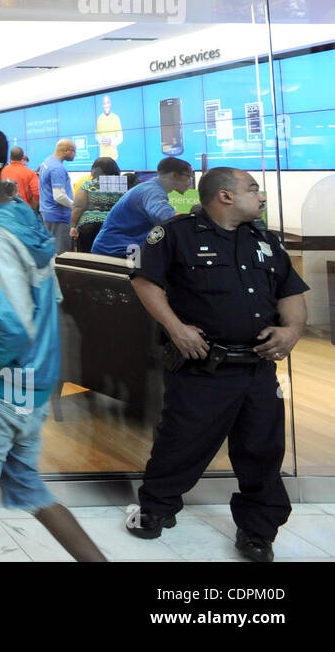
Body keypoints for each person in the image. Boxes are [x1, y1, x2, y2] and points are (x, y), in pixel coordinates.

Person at [0, 125, 106, 563]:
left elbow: (9, 331)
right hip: (33, 385)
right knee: (30, 491)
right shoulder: (23, 218)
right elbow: (49, 303)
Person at [127, 167, 307, 562]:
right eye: (252, 189)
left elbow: (290, 290)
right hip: (203, 365)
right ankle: (156, 509)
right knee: (181, 442)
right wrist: (175, 328)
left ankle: (258, 530)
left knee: (262, 450)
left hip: (258, 368)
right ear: (225, 196)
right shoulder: (175, 235)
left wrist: (291, 331)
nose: (261, 197)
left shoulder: (265, 240)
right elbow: (144, 280)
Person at [92, 157, 194, 258]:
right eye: (189, 176)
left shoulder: (151, 187)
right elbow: (167, 217)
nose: (190, 181)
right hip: (116, 253)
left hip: (117, 249)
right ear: (175, 175)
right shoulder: (152, 191)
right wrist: (196, 219)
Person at [69, 157, 123, 254]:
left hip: (89, 226)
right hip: (114, 225)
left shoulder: (89, 184)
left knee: (88, 257)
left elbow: (78, 207)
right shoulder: (122, 185)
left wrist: (73, 226)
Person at [37, 139, 77, 255]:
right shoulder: (57, 168)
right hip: (58, 216)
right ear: (65, 151)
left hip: (48, 213)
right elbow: (59, 196)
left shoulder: (47, 161)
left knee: (52, 252)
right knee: (62, 255)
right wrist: (75, 207)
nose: (75, 154)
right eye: (73, 151)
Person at [0, 146, 39, 211]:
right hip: (24, 210)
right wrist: (32, 207)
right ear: (22, 157)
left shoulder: (1, 172)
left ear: (10, 157)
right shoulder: (30, 173)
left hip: (6, 211)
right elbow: (37, 193)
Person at [95, 94, 124, 162]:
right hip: (102, 157)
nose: (106, 105)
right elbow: (97, 136)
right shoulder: (99, 118)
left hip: (113, 157)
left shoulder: (116, 118)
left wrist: (111, 141)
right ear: (102, 105)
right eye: (104, 103)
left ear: (110, 104)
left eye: (108, 102)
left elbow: (120, 138)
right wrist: (101, 140)